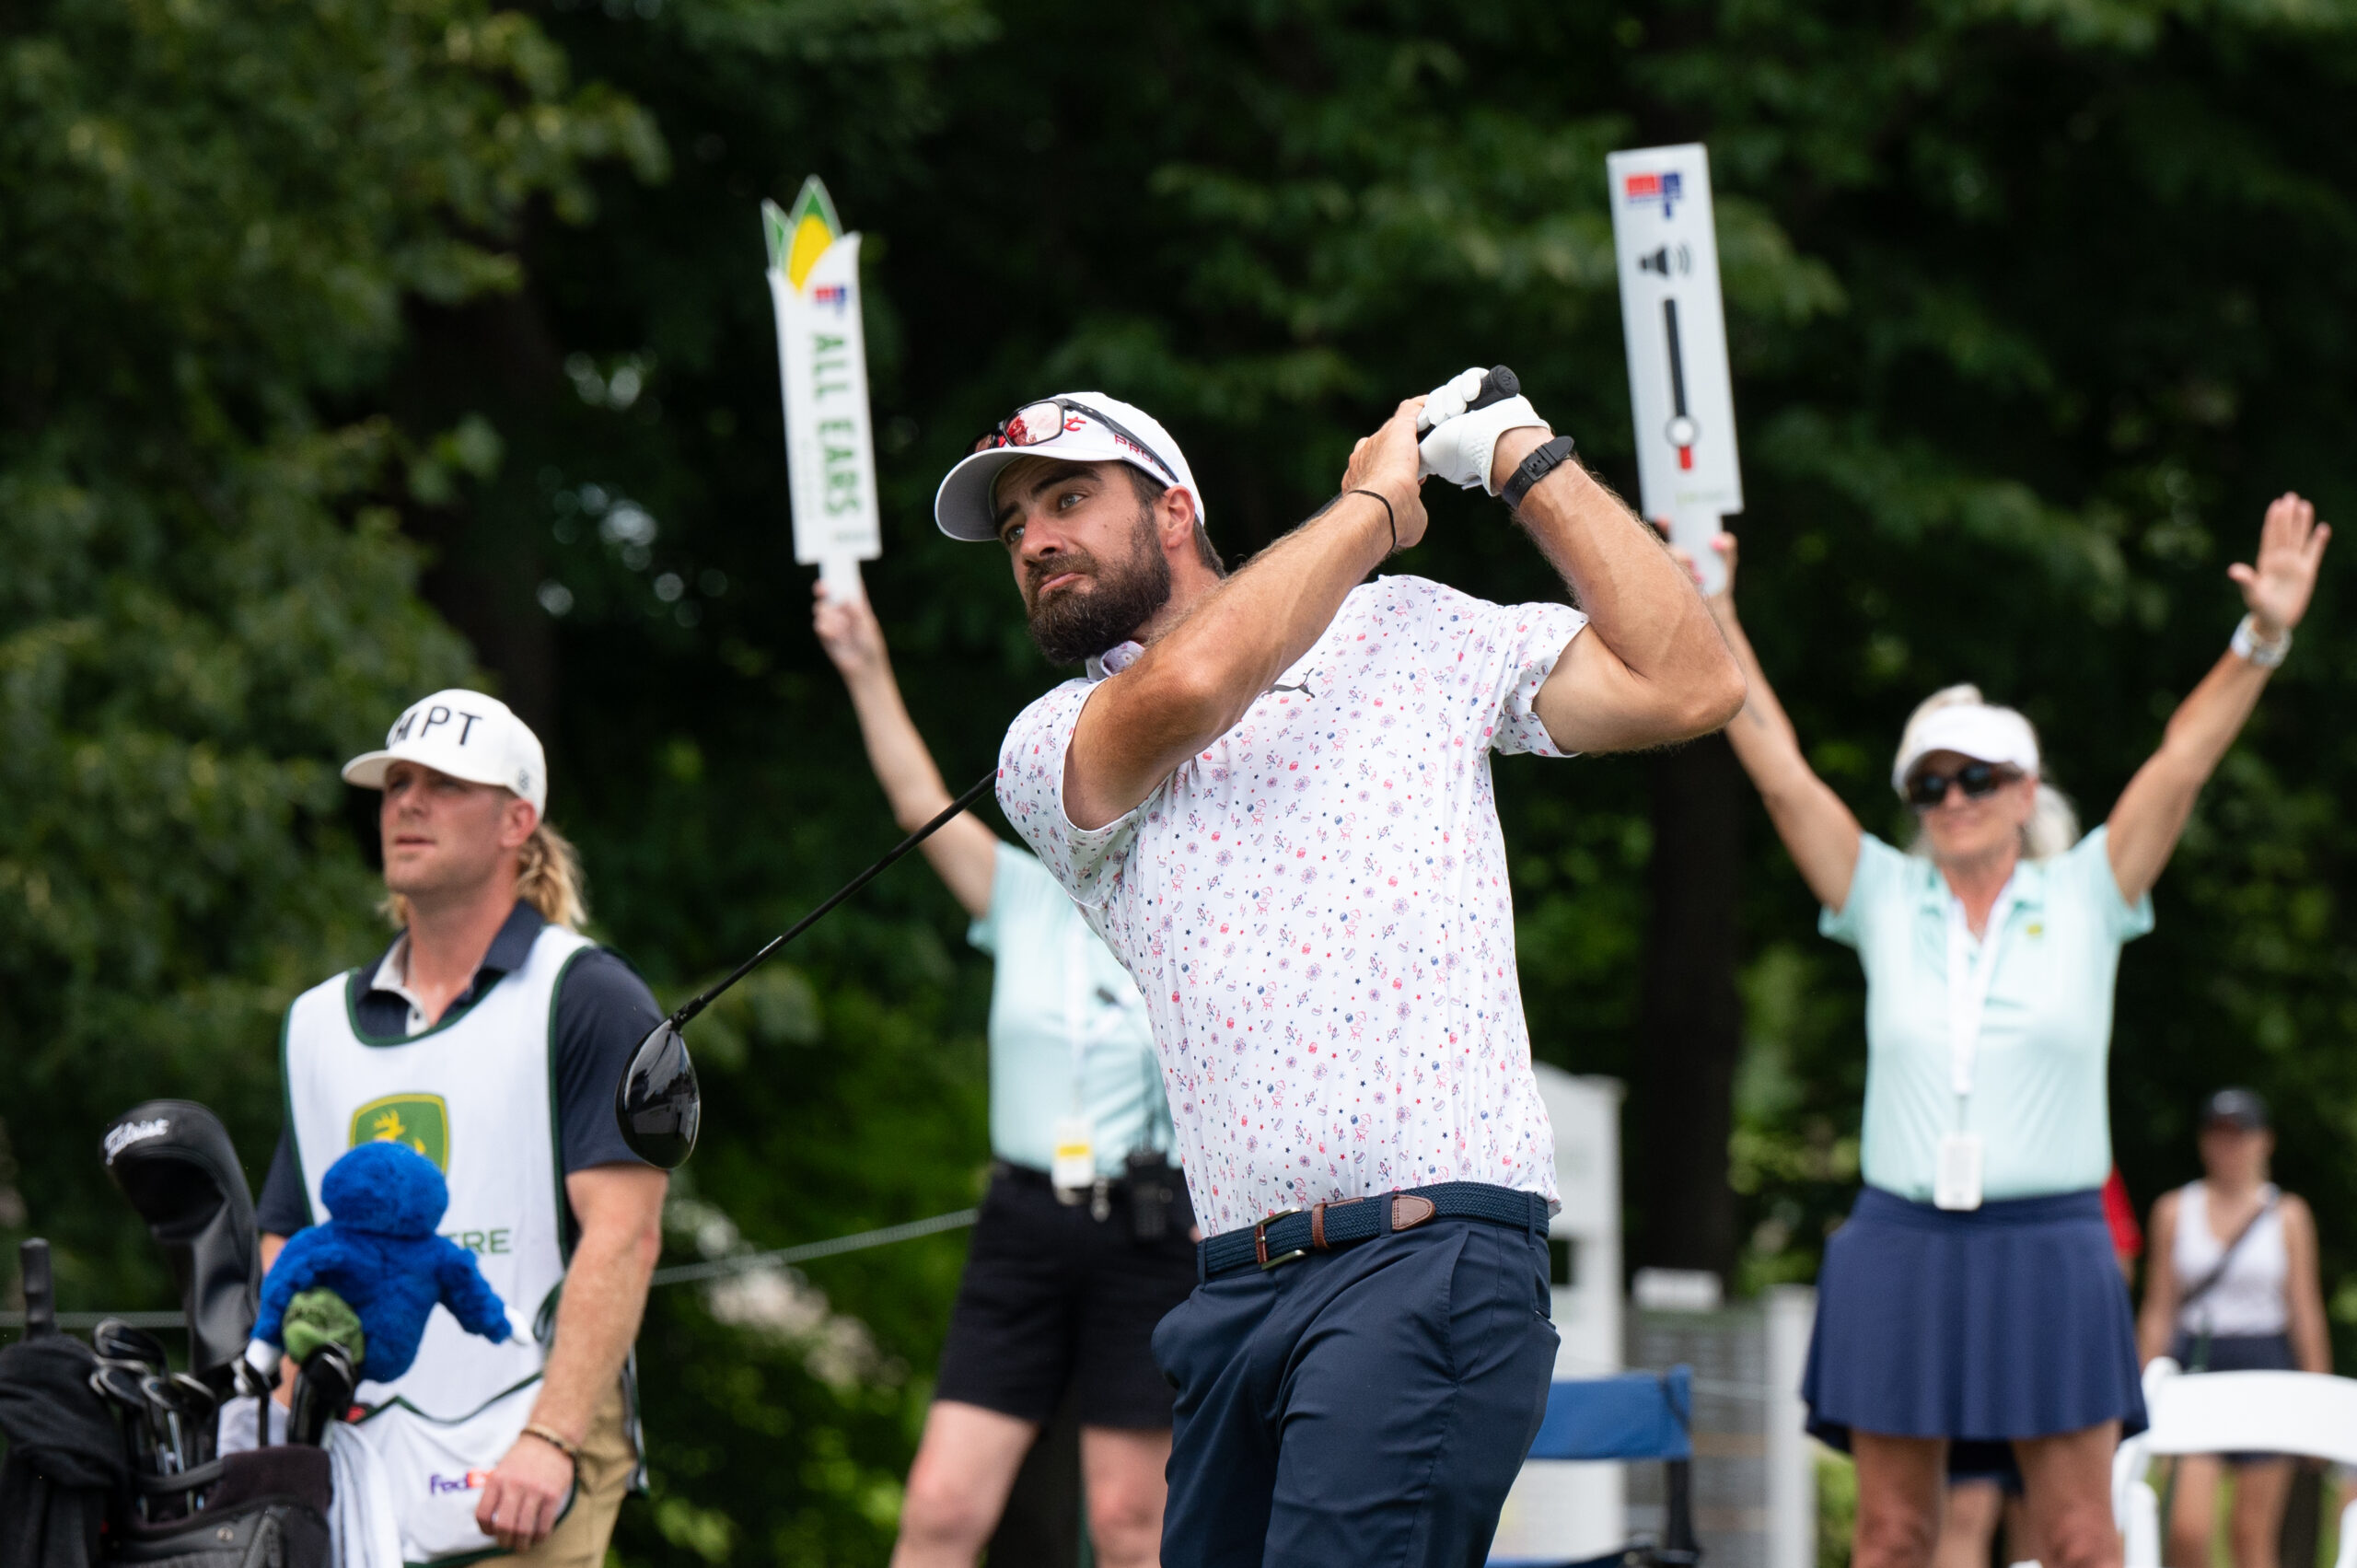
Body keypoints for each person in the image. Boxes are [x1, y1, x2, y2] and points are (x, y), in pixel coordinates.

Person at [935, 377, 1745, 1565]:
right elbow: (1193, 686)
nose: (1034, 540)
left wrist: (1522, 458)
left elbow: (1691, 681)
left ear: (1172, 510)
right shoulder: (1050, 741)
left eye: (1066, 499)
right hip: (1230, 1293)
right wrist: (1371, 506)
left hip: (1431, 1253)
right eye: (1014, 527)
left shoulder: (1411, 627)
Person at [1685, 493, 2331, 1568]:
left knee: (2079, 1534)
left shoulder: (2088, 890)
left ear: (2026, 791)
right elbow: (1778, 764)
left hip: (2051, 1240)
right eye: (1929, 782)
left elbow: (2182, 759)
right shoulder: (1882, 893)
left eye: (1976, 777)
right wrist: (1714, 612)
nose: (1952, 798)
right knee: (1892, 1535)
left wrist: (2261, 633)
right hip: (1900, 1236)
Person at [810, 584, 1195, 1568]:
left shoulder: (1190, 900)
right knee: (941, 1504)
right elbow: (917, 805)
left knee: (1129, 1520)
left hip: (1151, 1225)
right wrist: (863, 662)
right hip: (1024, 1220)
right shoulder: (1024, 891)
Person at [252, 690, 669, 1567]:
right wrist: (293, 1394)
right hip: (360, 1451)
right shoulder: (319, 1020)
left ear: (518, 820)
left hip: (530, 1440)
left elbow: (624, 1234)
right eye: (397, 783)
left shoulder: (588, 994)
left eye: (445, 784)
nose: (409, 803)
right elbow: (287, 1228)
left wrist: (551, 1437)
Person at [2136, 1088, 2331, 1568]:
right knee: (2187, 1530)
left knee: (2251, 1535)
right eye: (2218, 1135)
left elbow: (2305, 1311)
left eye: (2239, 1135)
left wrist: (2318, 1402)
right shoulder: (2174, 1210)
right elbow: (2158, 1308)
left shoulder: (2288, 1215)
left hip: (2266, 1364)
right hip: (2198, 1364)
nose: (2228, 1147)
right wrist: (2140, 1395)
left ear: (2264, 1141)